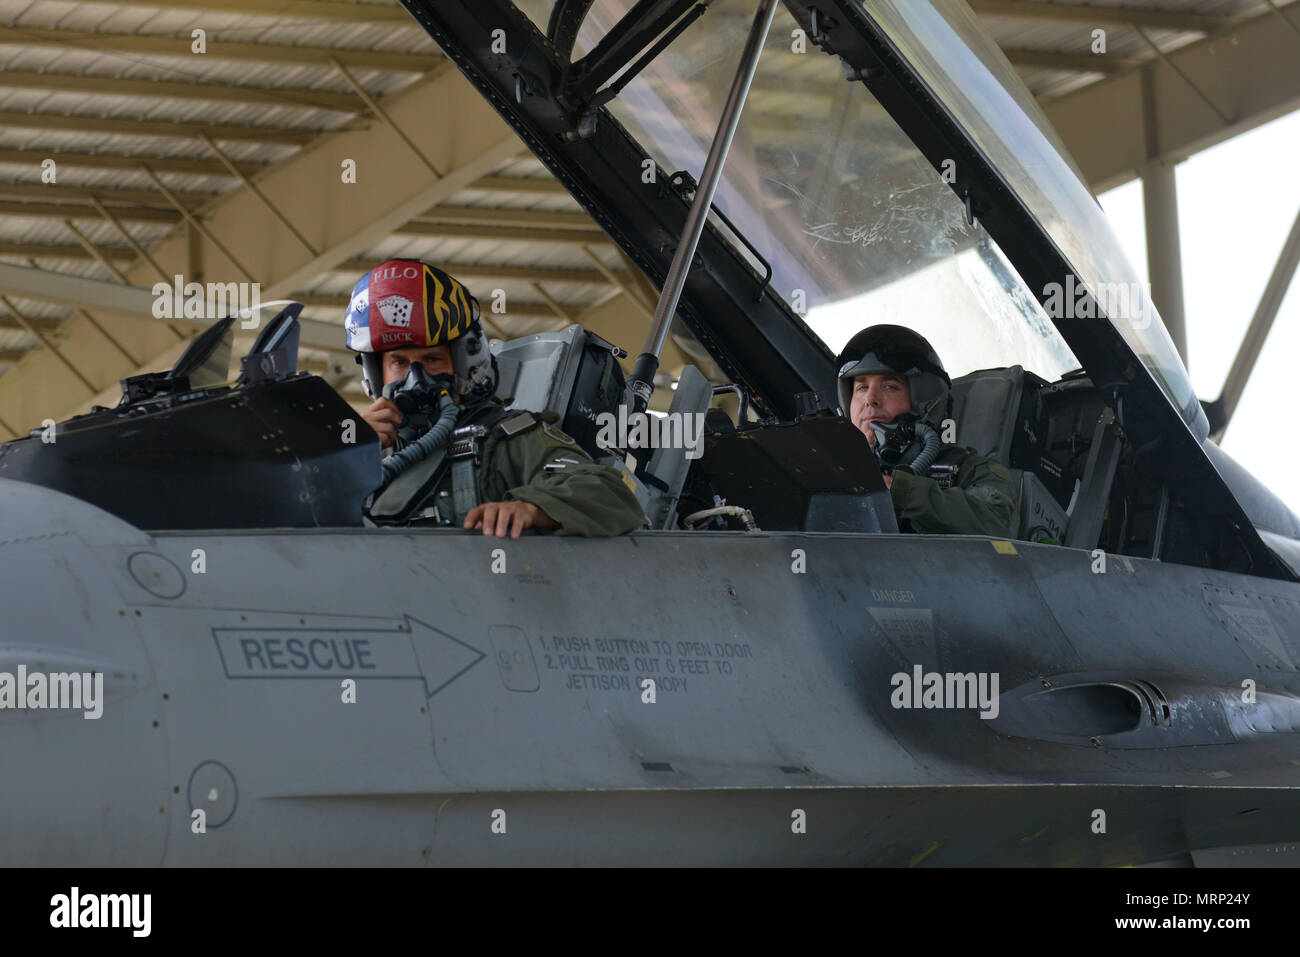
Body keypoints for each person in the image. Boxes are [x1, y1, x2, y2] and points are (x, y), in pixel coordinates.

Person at [346, 258, 646, 538]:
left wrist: (532, 509)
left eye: (433, 359)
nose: (416, 377)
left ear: (464, 363)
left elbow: (611, 493)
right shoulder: (365, 451)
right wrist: (348, 457)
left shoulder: (507, 439)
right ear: (377, 374)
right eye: (399, 362)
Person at [836, 325, 1016, 537]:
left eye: (890, 387)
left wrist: (899, 491)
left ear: (925, 403)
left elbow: (994, 523)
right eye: (862, 387)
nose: (870, 399)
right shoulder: (829, 464)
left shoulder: (970, 470)